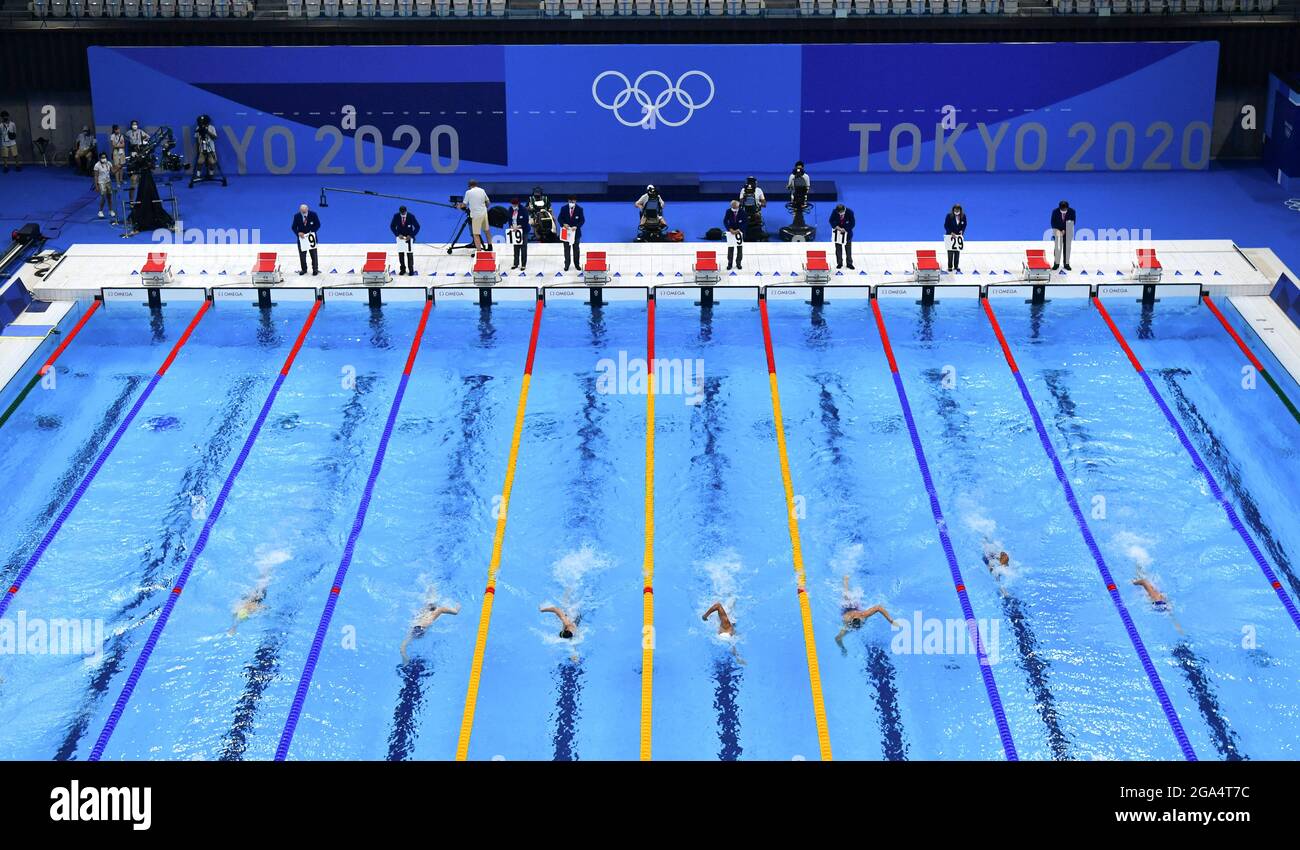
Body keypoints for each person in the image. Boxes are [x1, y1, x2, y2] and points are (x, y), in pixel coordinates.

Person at [834, 575, 896, 649]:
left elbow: (878, 607)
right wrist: (843, 648)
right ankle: (845, 581)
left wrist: (891, 620)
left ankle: (846, 581)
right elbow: (837, 638)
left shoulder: (863, 615)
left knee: (847, 598)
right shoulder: (848, 623)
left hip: (852, 608)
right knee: (846, 598)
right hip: (847, 610)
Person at [389, 205, 420, 276]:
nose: (402, 214)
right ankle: (402, 270)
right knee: (401, 254)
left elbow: (417, 227)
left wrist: (411, 235)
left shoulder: (411, 216)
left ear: (406, 211)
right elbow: (392, 226)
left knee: (409, 254)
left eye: (403, 213)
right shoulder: (396, 216)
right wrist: (397, 234)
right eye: (401, 213)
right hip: (400, 238)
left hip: (409, 238)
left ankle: (411, 270)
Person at [459, 179, 490, 250]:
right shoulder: (482, 190)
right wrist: (484, 209)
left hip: (476, 215)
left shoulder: (468, 192)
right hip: (484, 214)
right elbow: (488, 203)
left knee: (476, 234)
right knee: (487, 231)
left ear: (469, 186)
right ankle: (490, 247)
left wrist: (459, 206)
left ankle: (479, 250)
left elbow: (464, 205)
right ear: (476, 184)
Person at [291, 203, 321, 276]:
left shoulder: (313, 214)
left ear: (307, 209)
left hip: (311, 238)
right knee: (302, 256)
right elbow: (293, 227)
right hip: (302, 239)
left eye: (305, 211)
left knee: (313, 255)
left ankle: (315, 269)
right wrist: (298, 233)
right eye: (302, 211)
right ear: (300, 210)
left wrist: (312, 231)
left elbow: (318, 224)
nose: (304, 212)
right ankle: (304, 269)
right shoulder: (297, 216)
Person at [557, 194, 584, 271]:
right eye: (570, 201)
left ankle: (577, 264)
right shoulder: (563, 208)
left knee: (576, 249)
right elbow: (559, 218)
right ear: (568, 201)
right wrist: (563, 224)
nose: (571, 202)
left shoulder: (579, 209)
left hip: (576, 233)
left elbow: (582, 220)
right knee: (566, 249)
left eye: (573, 201)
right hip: (566, 232)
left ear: (575, 201)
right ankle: (567, 265)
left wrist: (577, 226)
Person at [125, 120, 148, 203]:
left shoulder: (141, 132)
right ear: (131, 125)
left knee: (143, 182)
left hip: (141, 158)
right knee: (133, 182)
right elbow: (126, 138)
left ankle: (143, 200)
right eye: (133, 124)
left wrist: (142, 143)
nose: (135, 126)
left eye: (136, 124)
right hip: (133, 159)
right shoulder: (128, 133)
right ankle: (131, 201)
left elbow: (147, 137)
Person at [505, 197, 530, 272]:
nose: (513, 206)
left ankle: (523, 264)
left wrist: (518, 227)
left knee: (523, 247)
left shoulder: (524, 210)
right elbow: (509, 219)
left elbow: (526, 220)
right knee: (516, 247)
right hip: (514, 230)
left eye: (515, 205)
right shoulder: (510, 209)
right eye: (512, 204)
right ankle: (515, 263)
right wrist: (511, 226)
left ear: (518, 204)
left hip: (523, 230)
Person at [829, 203, 855, 270]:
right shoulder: (835, 211)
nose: (840, 214)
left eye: (841, 213)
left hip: (847, 233)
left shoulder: (850, 212)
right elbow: (831, 220)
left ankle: (849, 263)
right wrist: (836, 226)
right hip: (838, 233)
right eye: (839, 213)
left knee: (848, 249)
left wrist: (845, 229)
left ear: (844, 210)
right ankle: (839, 263)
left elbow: (852, 223)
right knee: (838, 248)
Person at [1051, 200, 1076, 271]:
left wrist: (1065, 230)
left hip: (1068, 232)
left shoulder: (1072, 211)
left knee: (1067, 249)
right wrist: (1058, 231)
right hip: (1057, 232)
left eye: (1065, 209)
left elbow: (1072, 222)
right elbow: (1053, 222)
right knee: (1057, 248)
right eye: (1062, 209)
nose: (1064, 210)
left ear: (1067, 208)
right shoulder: (1055, 212)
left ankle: (1066, 264)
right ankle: (1056, 264)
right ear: (1059, 208)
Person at [723, 199, 747, 271]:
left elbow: (745, 222)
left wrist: (739, 230)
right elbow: (725, 221)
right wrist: (730, 229)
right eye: (732, 207)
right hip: (731, 231)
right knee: (730, 249)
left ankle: (738, 263)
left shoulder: (742, 212)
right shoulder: (728, 211)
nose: (733, 209)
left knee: (739, 249)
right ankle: (730, 263)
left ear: (738, 206)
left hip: (740, 231)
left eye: (735, 207)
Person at [944, 203, 968, 272]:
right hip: (950, 236)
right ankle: (950, 266)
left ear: (960, 210)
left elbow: (964, 225)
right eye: (955, 210)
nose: (956, 212)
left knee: (957, 252)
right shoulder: (949, 216)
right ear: (953, 210)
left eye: (958, 211)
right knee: (950, 253)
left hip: (958, 237)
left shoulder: (963, 216)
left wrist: (962, 231)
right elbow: (946, 225)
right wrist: (951, 232)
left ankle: (956, 266)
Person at [92, 152, 115, 220]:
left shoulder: (109, 163)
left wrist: (118, 168)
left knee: (110, 197)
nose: (103, 159)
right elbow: (96, 176)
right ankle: (100, 211)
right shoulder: (97, 165)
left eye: (104, 157)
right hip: (101, 182)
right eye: (102, 157)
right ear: (99, 158)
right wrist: (96, 186)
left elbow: (113, 172)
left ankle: (111, 210)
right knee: (103, 197)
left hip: (108, 182)